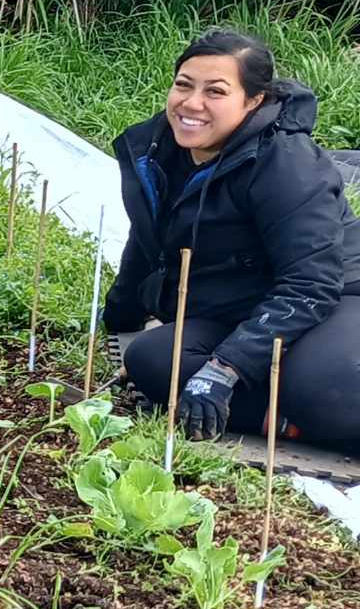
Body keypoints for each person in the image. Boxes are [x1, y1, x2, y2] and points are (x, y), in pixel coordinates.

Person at [104, 30, 360, 449]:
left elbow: (312, 282)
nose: (191, 104)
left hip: (332, 297)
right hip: (241, 304)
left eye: (215, 92)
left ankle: (307, 407)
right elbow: (148, 238)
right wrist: (119, 318)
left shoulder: (286, 165)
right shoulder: (154, 149)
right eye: (184, 84)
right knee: (152, 362)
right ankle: (285, 423)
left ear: (254, 101)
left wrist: (225, 368)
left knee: (323, 388)